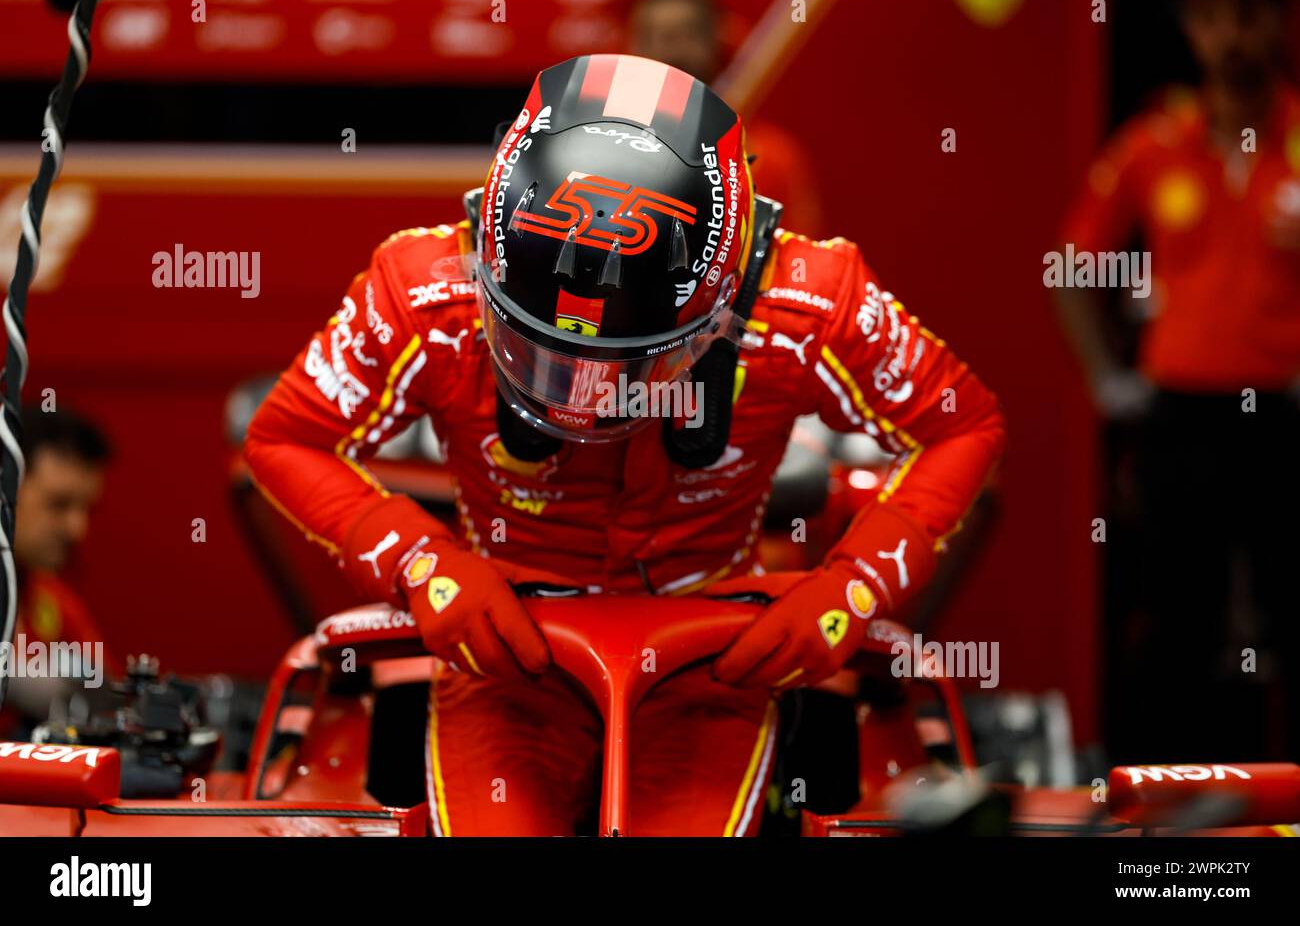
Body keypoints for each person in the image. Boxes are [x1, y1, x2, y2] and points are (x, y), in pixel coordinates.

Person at [245, 54, 1005, 835]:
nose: (582, 396)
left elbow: (964, 424)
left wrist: (848, 589)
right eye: (543, 349)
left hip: (711, 666)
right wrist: (419, 561)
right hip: (504, 660)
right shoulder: (421, 286)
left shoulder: (811, 298)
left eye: (620, 363)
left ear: (725, 293)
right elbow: (286, 436)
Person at [1054, 0, 1300, 761]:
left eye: (1249, 13)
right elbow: (1069, 262)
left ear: (1278, 22)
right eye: (1214, 15)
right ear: (1191, 27)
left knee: (1289, 611)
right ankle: (1168, 803)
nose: (1232, 35)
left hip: (1285, 418)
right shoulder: (1155, 142)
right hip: (1179, 417)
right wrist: (1106, 378)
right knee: (1174, 616)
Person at [627, 0, 824, 236]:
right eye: (656, 36)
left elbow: (795, 253)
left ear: (716, 41)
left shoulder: (771, 156)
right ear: (632, 45)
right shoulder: (604, 143)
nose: (672, 52)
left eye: (687, 34)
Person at [2, 407, 115, 736]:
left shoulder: (52, 598)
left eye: (86, 509)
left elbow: (109, 695)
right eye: (58, 504)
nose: (77, 529)